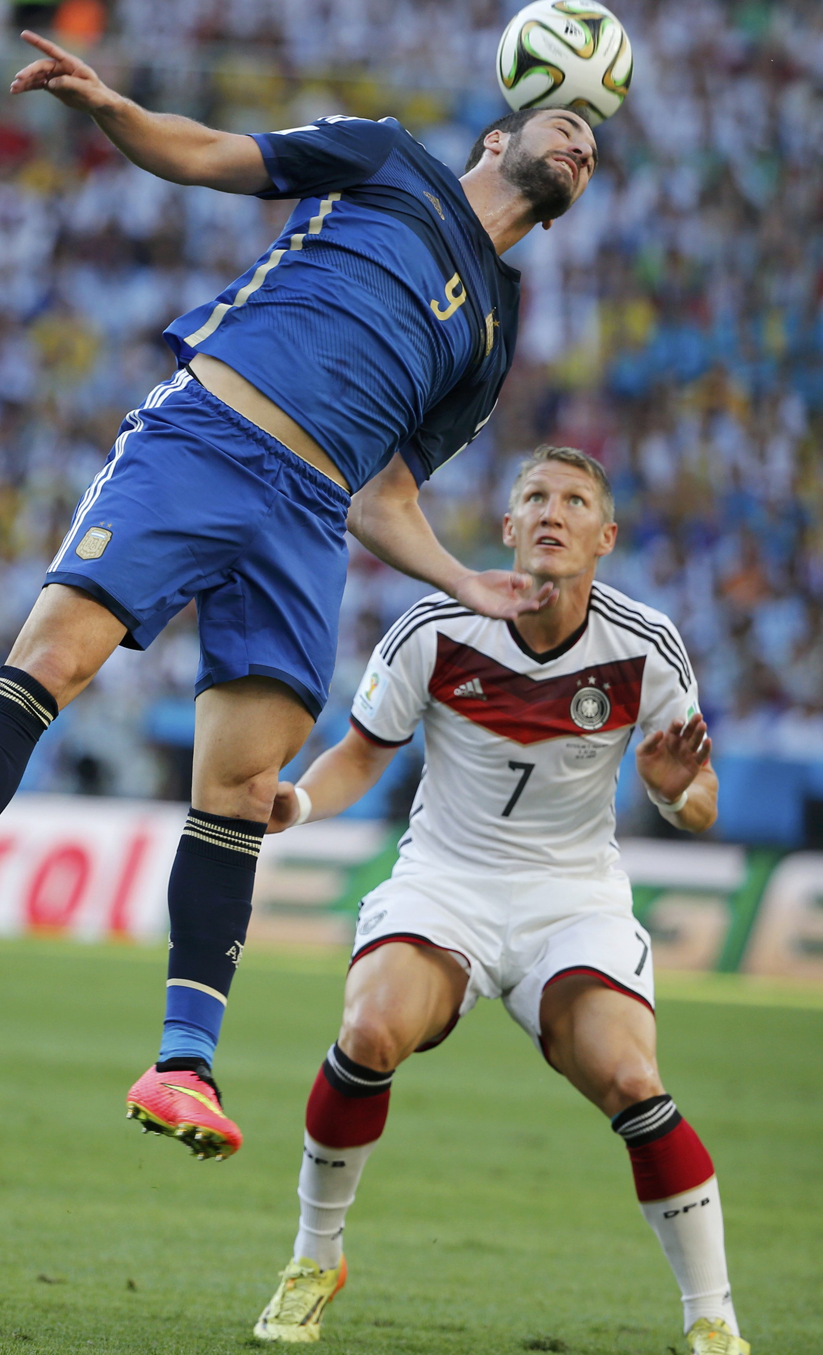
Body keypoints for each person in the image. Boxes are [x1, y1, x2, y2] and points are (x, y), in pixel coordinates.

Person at [0, 29, 598, 1162]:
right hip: (206, 436)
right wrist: (112, 106)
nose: (578, 144)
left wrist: (464, 578)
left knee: (244, 784)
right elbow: (215, 153)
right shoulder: (384, 158)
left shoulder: (494, 335)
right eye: (564, 124)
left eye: (593, 148)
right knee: (56, 654)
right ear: (498, 133)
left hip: (309, 516)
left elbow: (387, 488)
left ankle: (181, 1064)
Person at [252, 445, 749, 1355]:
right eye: (534, 498)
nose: (551, 512)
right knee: (368, 1031)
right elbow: (364, 750)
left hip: (574, 900)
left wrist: (678, 791)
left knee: (634, 1080)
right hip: (447, 884)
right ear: (511, 527)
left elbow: (702, 798)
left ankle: (711, 1318)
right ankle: (313, 1260)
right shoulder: (436, 627)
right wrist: (302, 800)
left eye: (573, 500)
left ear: (604, 536)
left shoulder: (646, 644)